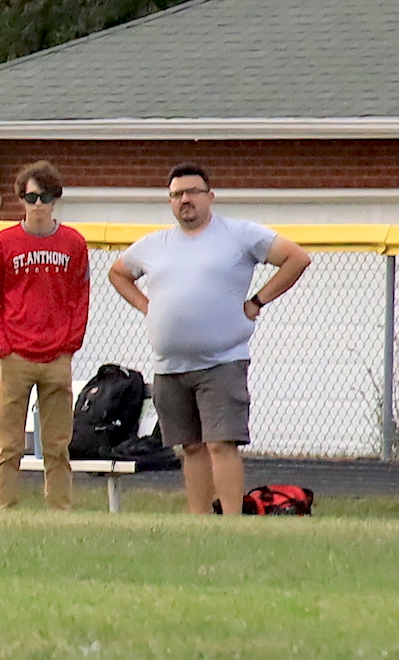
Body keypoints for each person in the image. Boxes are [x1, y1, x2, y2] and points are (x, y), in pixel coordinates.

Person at [108, 163, 311, 516]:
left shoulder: (239, 234)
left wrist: (256, 302)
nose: (185, 200)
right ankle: (198, 520)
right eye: (177, 195)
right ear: (170, 202)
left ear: (209, 197)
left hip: (222, 360)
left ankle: (231, 520)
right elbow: (119, 273)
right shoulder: (154, 244)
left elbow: (297, 258)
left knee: (221, 444)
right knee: (191, 447)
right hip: (170, 365)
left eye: (192, 192)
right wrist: (149, 308)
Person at [0, 160, 91, 510]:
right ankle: (5, 510)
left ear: (56, 199)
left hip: (57, 355)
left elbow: (80, 296)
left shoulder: (74, 243)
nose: (38, 205)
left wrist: (70, 344)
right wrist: (1, 344)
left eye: (45, 197)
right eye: (31, 198)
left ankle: (59, 510)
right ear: (21, 199)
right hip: (15, 356)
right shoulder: (2, 244)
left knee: (58, 445)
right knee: (9, 444)